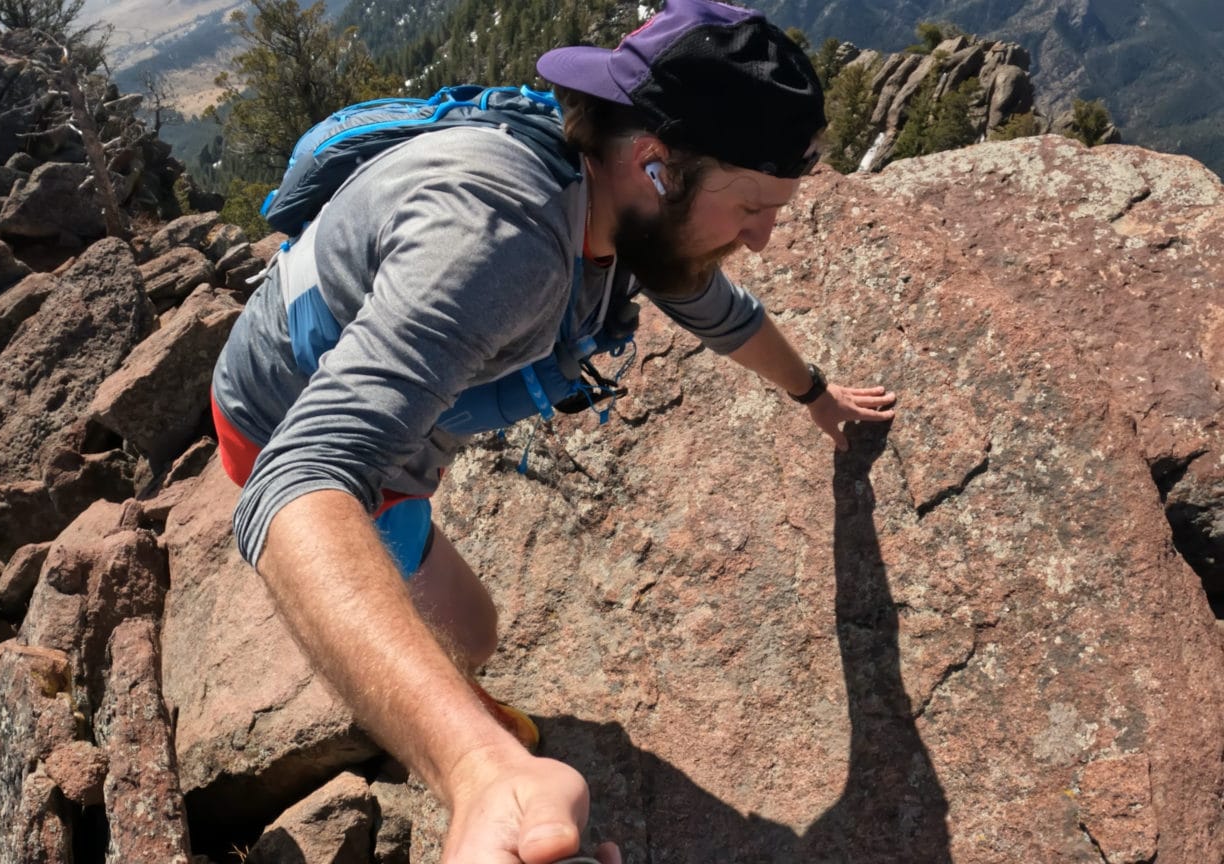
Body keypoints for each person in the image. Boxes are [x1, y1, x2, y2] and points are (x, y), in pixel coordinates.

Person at [208, 0, 897, 859]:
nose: (760, 239)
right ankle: (433, 721)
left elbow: (711, 305)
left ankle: (444, 698)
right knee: (467, 636)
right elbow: (296, 477)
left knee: (471, 635)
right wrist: (477, 768)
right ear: (656, 165)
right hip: (277, 421)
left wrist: (816, 395)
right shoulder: (501, 246)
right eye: (753, 206)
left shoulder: (618, 201)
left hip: (371, 417)